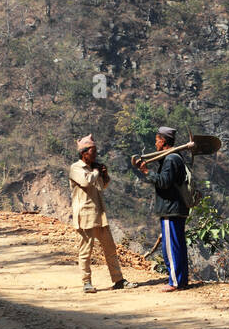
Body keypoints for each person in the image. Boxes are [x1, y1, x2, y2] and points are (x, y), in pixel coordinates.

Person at [69, 135, 133, 293]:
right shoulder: (76, 168)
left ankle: (118, 279)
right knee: (85, 251)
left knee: (110, 249)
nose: (95, 154)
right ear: (84, 153)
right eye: (93, 151)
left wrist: (104, 175)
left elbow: (101, 186)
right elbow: (86, 181)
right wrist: (97, 171)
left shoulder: (93, 168)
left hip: (99, 214)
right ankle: (86, 282)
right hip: (85, 216)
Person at [131, 125, 191, 291]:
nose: (155, 143)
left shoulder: (171, 159)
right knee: (177, 244)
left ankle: (175, 282)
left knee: (171, 247)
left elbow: (164, 182)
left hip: (171, 209)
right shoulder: (173, 157)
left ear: (163, 141)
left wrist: (146, 172)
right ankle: (180, 280)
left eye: (157, 140)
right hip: (176, 208)